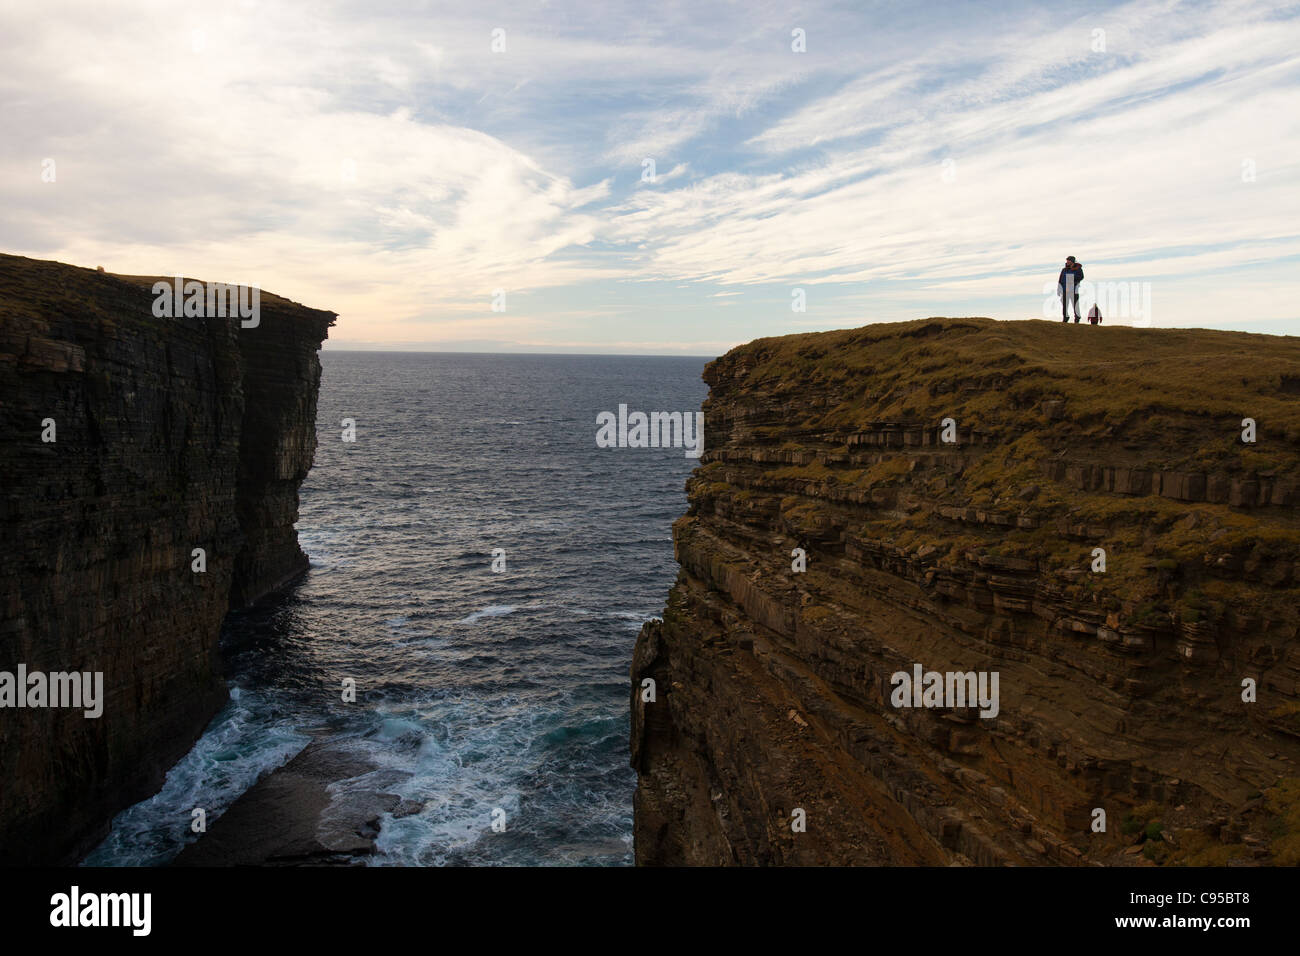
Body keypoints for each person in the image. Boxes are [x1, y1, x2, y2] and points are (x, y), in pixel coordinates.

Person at [1058, 256, 1084, 323]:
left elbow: (1081, 277)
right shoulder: (1064, 270)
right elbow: (1060, 280)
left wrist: (1072, 278)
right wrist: (1059, 289)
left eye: (1068, 260)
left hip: (1074, 290)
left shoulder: (1078, 269)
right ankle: (1065, 318)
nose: (1067, 262)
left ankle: (1077, 318)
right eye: (1067, 260)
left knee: (1075, 305)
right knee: (1064, 305)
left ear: (1072, 261)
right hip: (1065, 290)